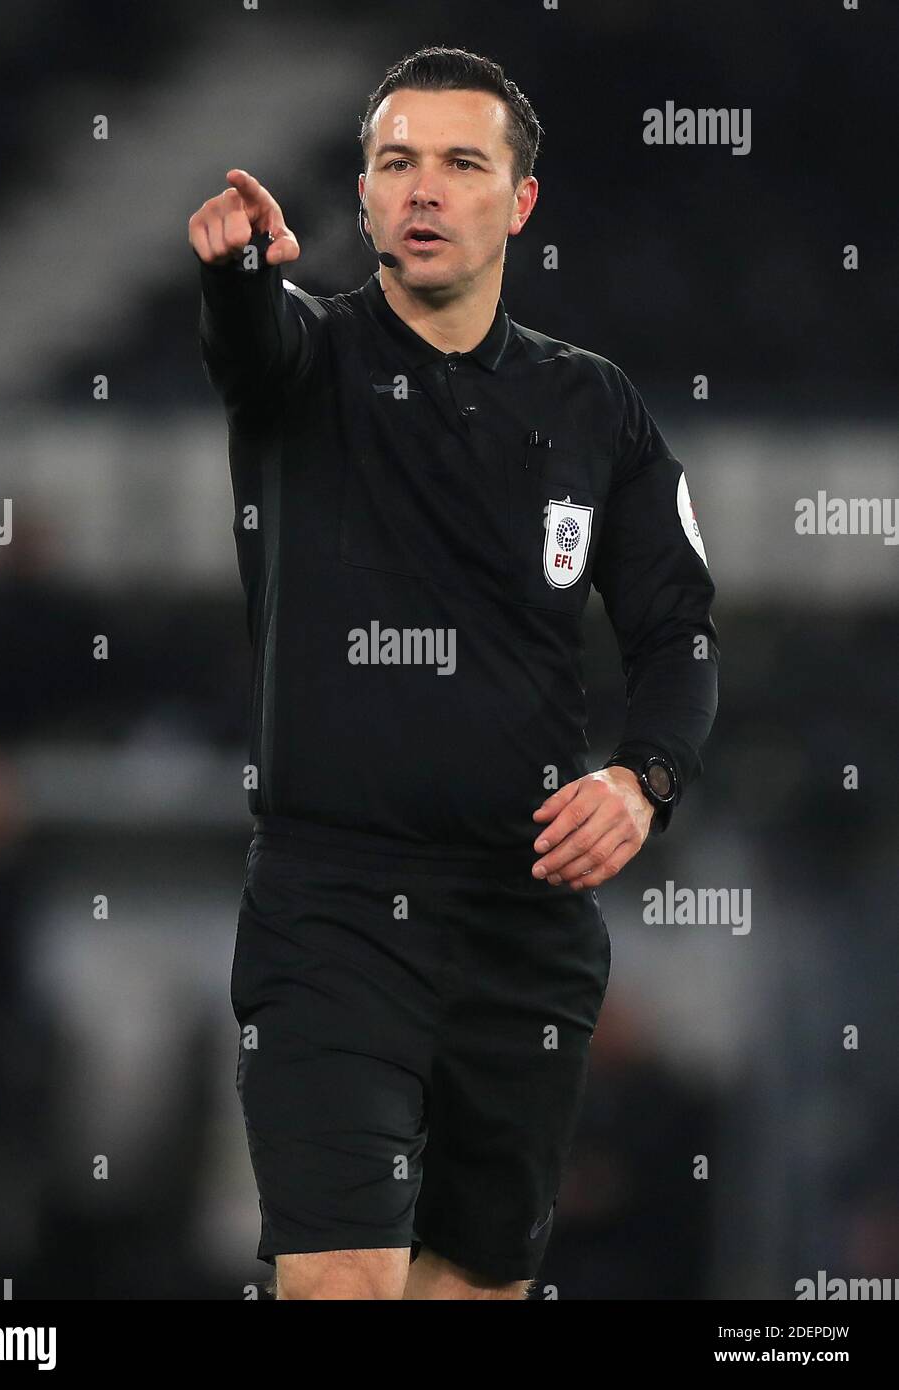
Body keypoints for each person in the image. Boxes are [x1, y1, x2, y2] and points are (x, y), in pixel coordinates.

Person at [189, 45, 719, 1300]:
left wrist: (643, 783)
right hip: (330, 908)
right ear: (363, 199)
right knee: (344, 1281)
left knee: (470, 1289)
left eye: (460, 163)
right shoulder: (303, 363)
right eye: (394, 162)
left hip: (520, 922)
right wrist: (232, 274)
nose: (422, 189)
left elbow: (678, 632)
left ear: (519, 201)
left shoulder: (594, 407)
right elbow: (247, 342)